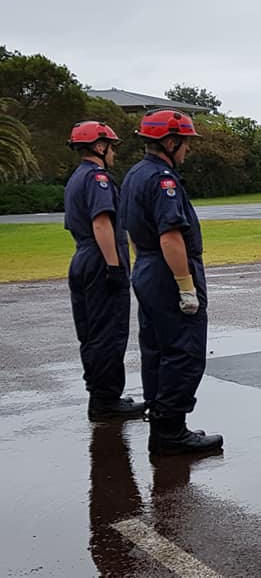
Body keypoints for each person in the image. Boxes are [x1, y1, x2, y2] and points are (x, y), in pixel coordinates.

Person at [118, 109, 223, 455]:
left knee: (156, 348)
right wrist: (186, 286)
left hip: (147, 267)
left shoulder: (135, 174)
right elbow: (171, 237)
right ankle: (172, 430)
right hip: (167, 270)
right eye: (185, 142)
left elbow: (133, 230)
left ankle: (161, 422)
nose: (188, 149)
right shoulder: (163, 180)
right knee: (184, 351)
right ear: (170, 140)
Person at [64, 120, 145, 421]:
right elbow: (102, 222)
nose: (113, 153)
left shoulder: (76, 178)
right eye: (111, 147)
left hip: (82, 257)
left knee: (91, 332)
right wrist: (113, 266)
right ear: (99, 147)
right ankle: (107, 400)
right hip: (99, 259)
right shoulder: (98, 178)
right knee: (109, 333)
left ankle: (99, 395)